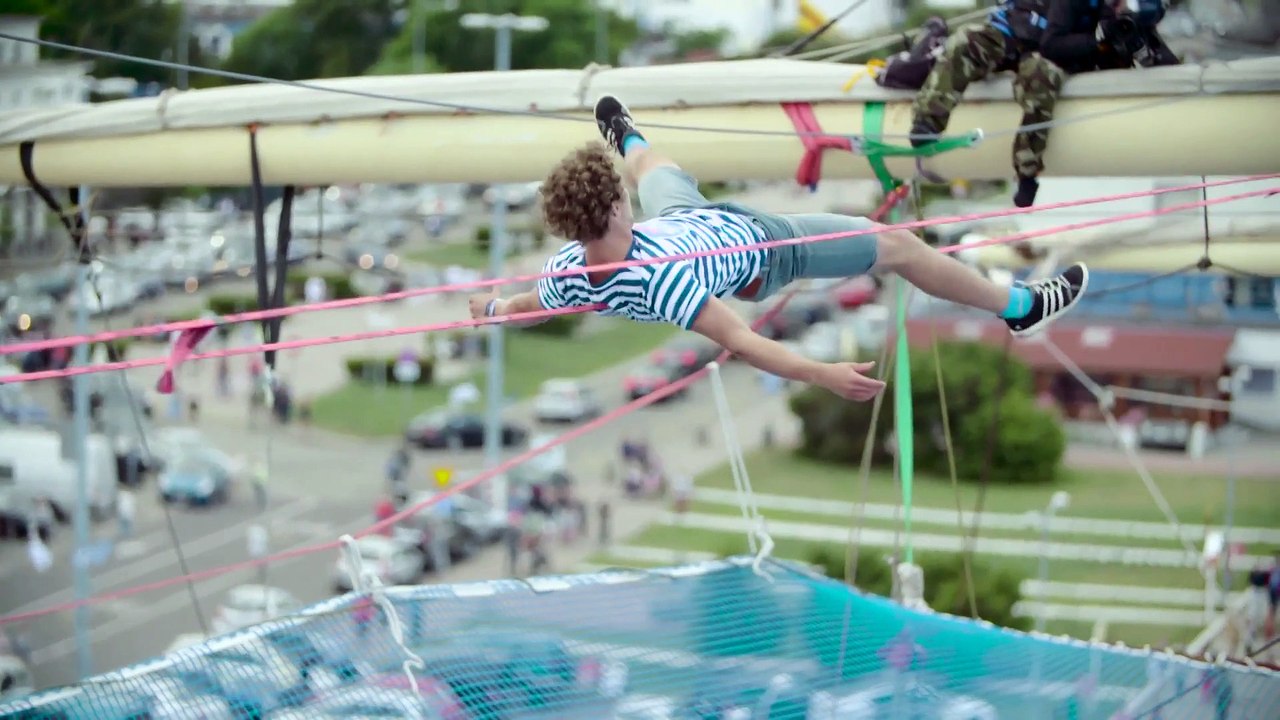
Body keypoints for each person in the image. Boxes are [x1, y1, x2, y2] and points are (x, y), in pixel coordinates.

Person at [469, 96, 1090, 402]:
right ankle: (1018, 307)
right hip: (767, 249)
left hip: (688, 222)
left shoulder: (573, 268)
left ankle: (624, 136)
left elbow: (538, 302)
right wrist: (822, 374)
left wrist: (496, 310)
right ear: (608, 211)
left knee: (655, 166)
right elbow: (743, 342)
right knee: (896, 246)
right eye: (617, 197)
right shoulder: (662, 284)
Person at [909, 0, 1069, 208]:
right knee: (965, 40)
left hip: (1050, 47)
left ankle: (1027, 172)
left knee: (1040, 78)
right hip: (1008, 33)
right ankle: (928, 121)